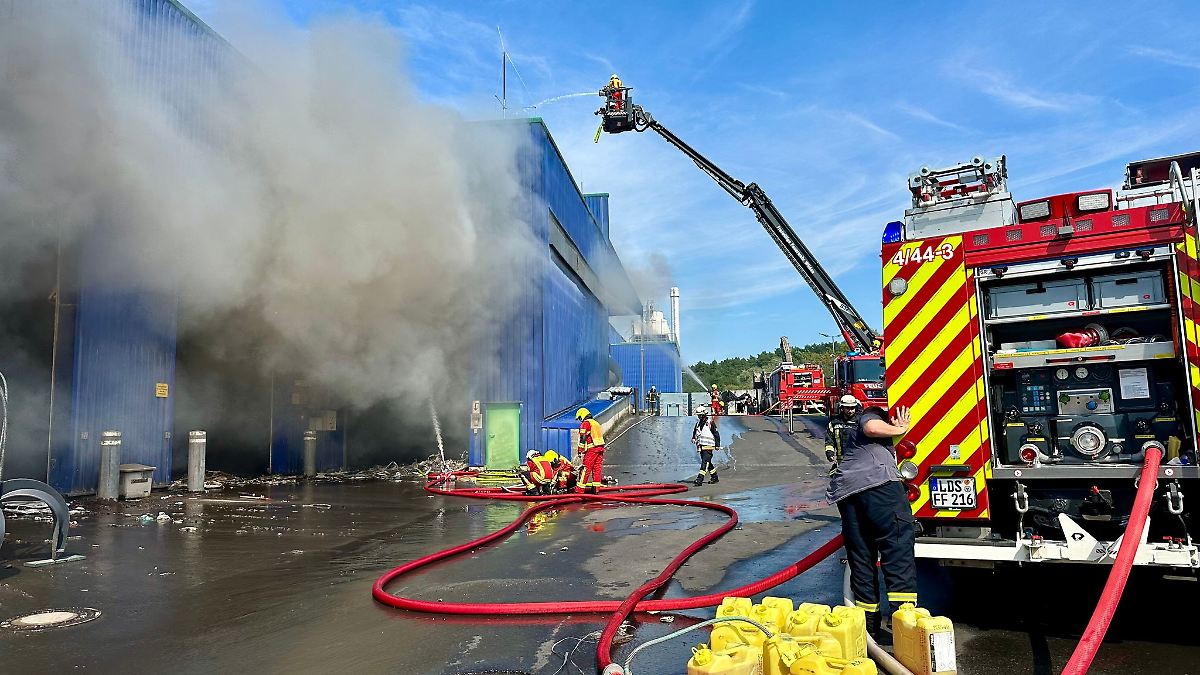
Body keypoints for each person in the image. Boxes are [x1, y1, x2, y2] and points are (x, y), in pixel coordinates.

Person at [826, 395, 916, 641]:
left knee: (862, 556)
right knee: (896, 549)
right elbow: (871, 427)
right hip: (879, 488)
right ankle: (904, 628)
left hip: (848, 494)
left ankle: (868, 629)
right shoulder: (871, 415)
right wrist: (901, 428)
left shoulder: (857, 441)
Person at [576, 408, 606, 493]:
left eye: (579, 418)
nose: (579, 421)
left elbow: (583, 437)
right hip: (600, 448)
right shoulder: (595, 423)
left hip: (592, 449)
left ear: (582, 416)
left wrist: (580, 450)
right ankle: (596, 489)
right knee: (597, 468)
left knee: (585, 469)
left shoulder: (586, 423)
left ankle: (579, 490)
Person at [691, 407, 721, 486]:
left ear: (704, 414)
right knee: (708, 462)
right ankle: (714, 477)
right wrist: (694, 438)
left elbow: (716, 434)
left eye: (700, 415)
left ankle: (699, 479)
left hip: (708, 446)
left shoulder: (710, 422)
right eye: (698, 415)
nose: (699, 417)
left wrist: (717, 445)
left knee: (705, 462)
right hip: (701, 446)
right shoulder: (698, 423)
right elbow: (695, 431)